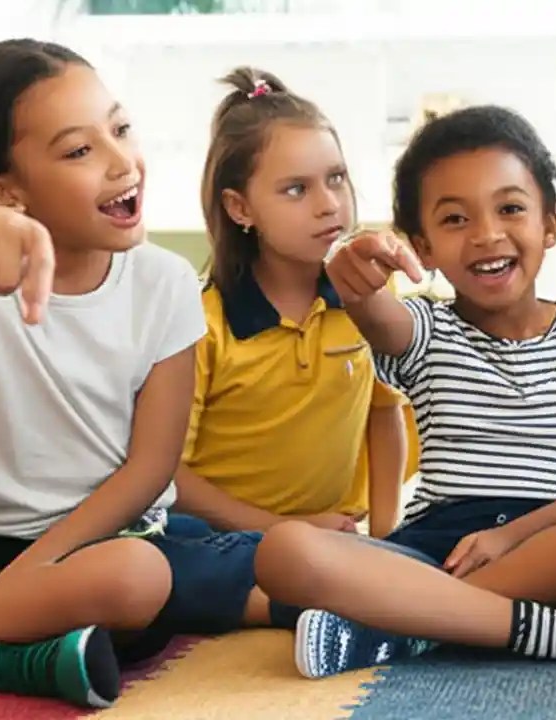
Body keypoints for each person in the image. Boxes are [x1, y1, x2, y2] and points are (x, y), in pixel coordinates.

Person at [254, 105, 556, 679]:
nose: (487, 235)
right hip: (439, 550)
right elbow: (376, 315)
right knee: (283, 552)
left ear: (550, 223)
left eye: (510, 208)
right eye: (455, 220)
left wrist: (512, 536)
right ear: (422, 247)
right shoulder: (427, 329)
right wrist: (354, 274)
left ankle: (410, 625)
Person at [0, 39, 297, 707]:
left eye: (120, 129)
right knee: (150, 589)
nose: (123, 164)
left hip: (115, 543)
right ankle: (2, 656)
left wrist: (23, 585)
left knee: (155, 574)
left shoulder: (165, 283)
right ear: (3, 193)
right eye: (79, 151)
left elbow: (151, 469)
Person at [175, 66, 411, 539]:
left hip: (336, 538)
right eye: (297, 189)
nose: (329, 204)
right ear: (239, 208)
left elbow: (384, 413)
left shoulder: (366, 297)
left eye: (337, 178)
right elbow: (168, 477)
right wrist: (283, 530)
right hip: (216, 541)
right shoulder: (199, 324)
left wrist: (387, 539)